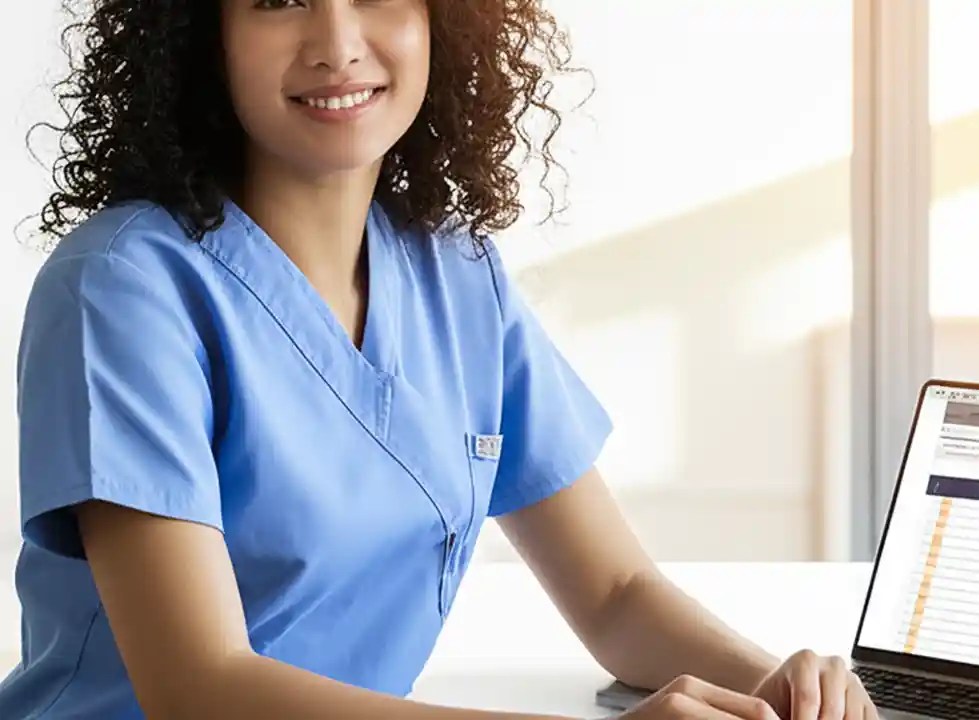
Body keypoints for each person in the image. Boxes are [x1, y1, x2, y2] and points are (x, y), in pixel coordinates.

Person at [0, 1, 879, 719]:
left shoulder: (456, 275)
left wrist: (779, 692)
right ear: (204, 34)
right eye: (278, 0)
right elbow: (201, 690)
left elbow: (614, 593)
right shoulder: (120, 290)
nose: (337, 43)